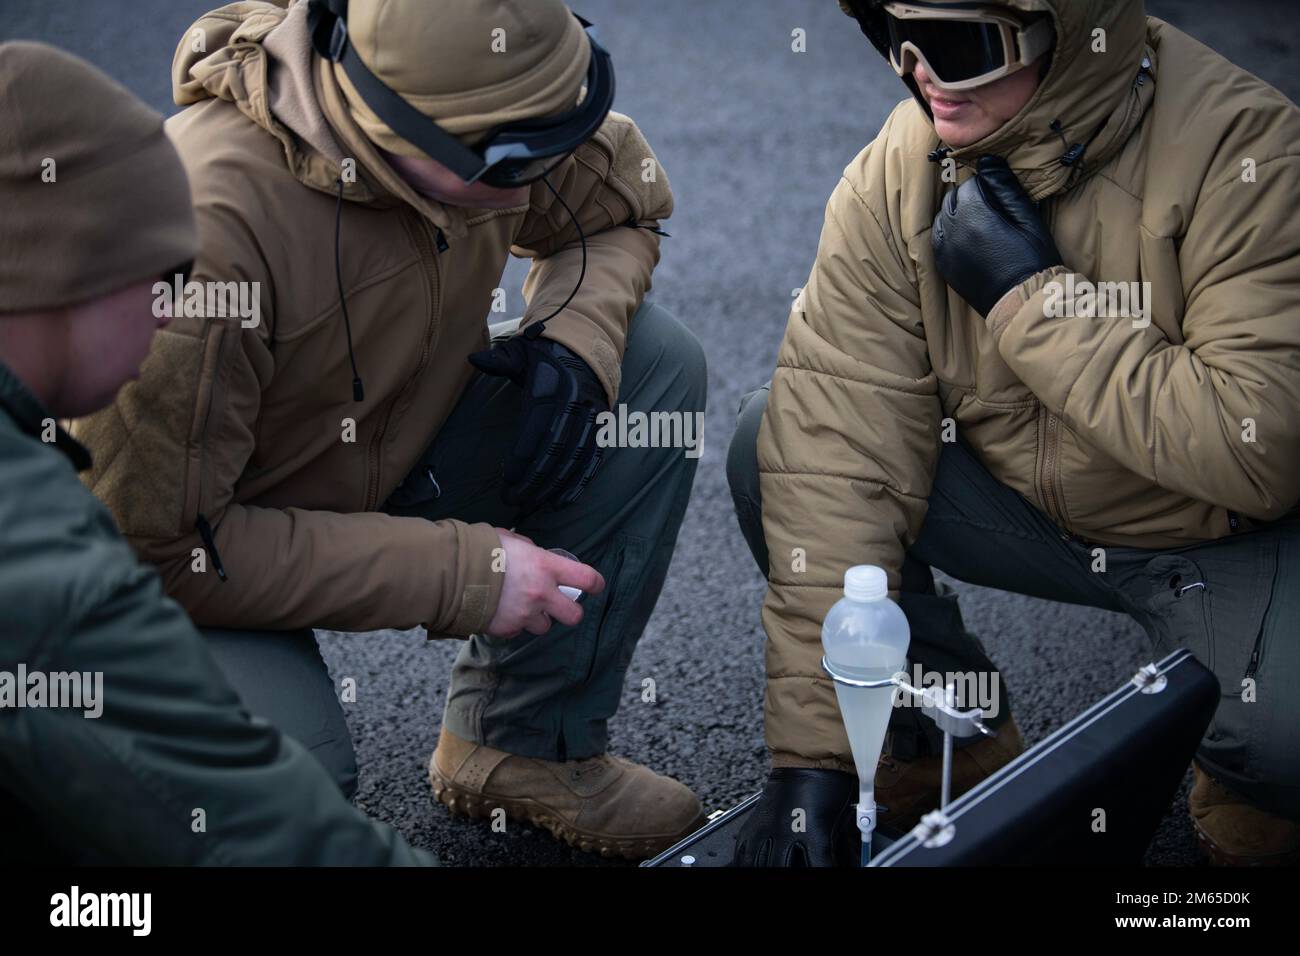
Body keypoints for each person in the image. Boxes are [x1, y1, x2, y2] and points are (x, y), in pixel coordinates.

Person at [71, 0, 707, 860]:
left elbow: (618, 210)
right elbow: (148, 550)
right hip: (197, 546)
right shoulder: (198, 240)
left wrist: (573, 335)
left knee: (652, 366)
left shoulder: (496, 113)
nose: (535, 182)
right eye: (513, 161)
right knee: (286, 783)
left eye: (569, 120)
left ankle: (521, 746)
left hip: (393, 444)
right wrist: (464, 573)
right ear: (392, 132)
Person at [727, 0, 1300, 866]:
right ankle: (941, 741)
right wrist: (816, 764)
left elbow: (1259, 448)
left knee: (1281, 740)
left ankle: (1253, 777)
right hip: (1030, 507)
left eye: (958, 46)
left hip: (1218, 530)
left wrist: (1029, 298)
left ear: (1061, 33)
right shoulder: (899, 172)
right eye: (892, 36)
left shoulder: (1249, 150)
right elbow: (835, 455)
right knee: (774, 442)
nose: (917, 71)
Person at [0, 40, 434, 865]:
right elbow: (252, 822)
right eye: (164, 273)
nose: (172, 314)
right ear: (63, 274)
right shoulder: (27, 544)